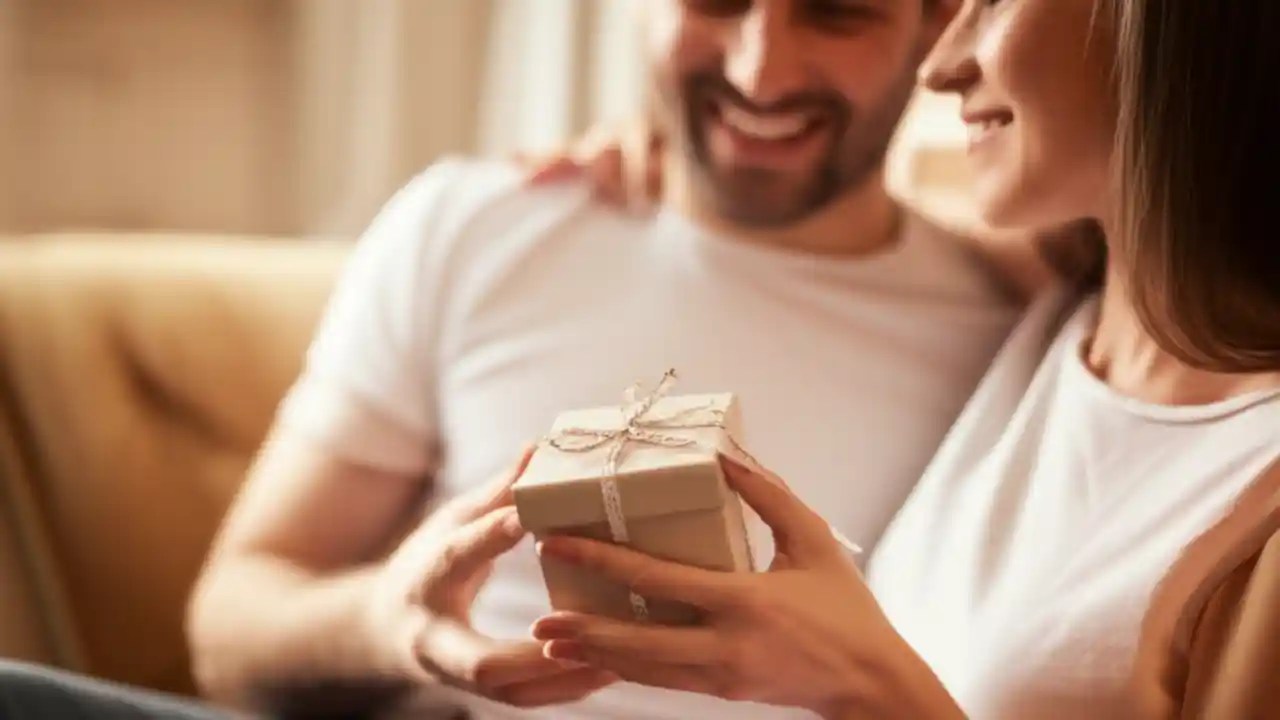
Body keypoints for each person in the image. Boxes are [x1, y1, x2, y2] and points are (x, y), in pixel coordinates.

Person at [181, 1, 1020, 719]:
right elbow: (229, 629)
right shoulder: (473, 227)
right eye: (716, 0)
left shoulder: (1014, 328)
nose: (761, 71)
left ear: (938, 21)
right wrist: (385, 622)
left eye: (837, 10)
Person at [522, 0, 1280, 718]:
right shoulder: (1060, 307)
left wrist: (864, 687)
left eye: (992, 4)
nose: (940, 65)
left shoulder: (1256, 503)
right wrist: (691, 154)